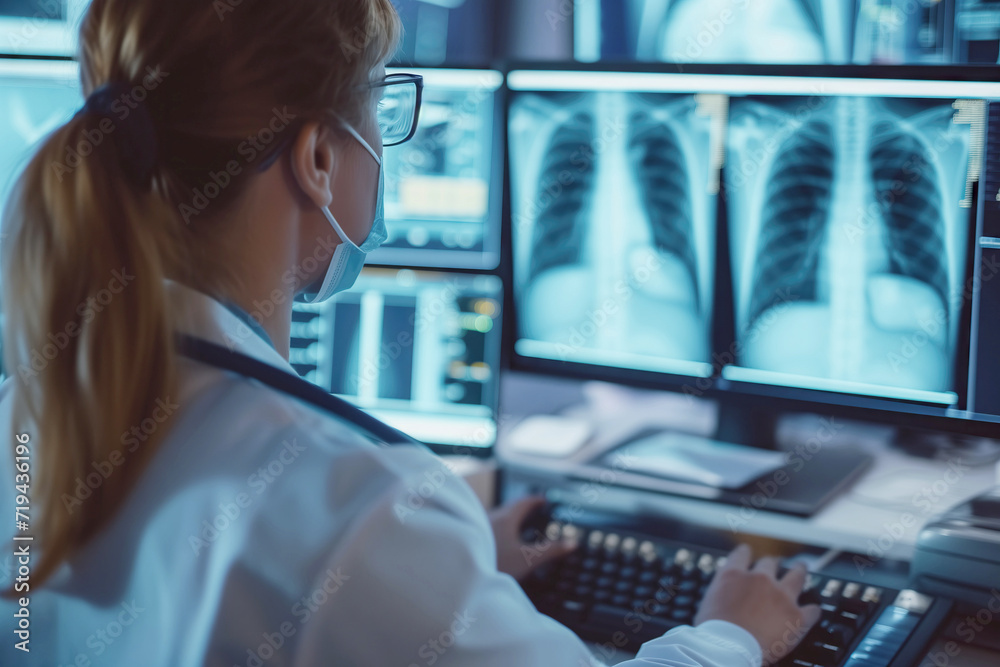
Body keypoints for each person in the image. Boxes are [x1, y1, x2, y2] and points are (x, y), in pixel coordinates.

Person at [0, 0, 820, 665]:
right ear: (318, 157)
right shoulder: (357, 501)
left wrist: (441, 579)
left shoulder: (25, 416)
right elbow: (322, 557)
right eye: (382, 104)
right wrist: (731, 634)